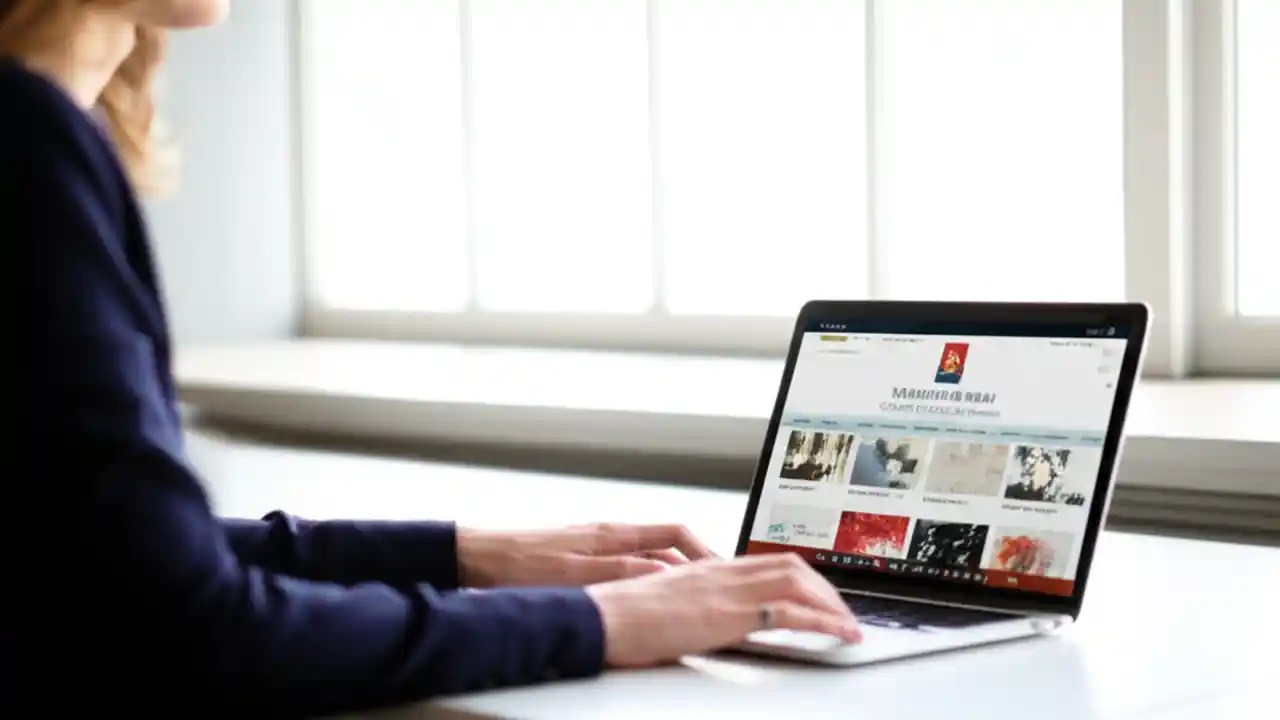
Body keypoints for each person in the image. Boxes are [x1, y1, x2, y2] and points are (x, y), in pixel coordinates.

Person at [3, 0, 862, 714]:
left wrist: (465, 553)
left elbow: (105, 555)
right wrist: (601, 621)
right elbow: (184, 624)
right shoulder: (28, 139)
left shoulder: (40, 130)